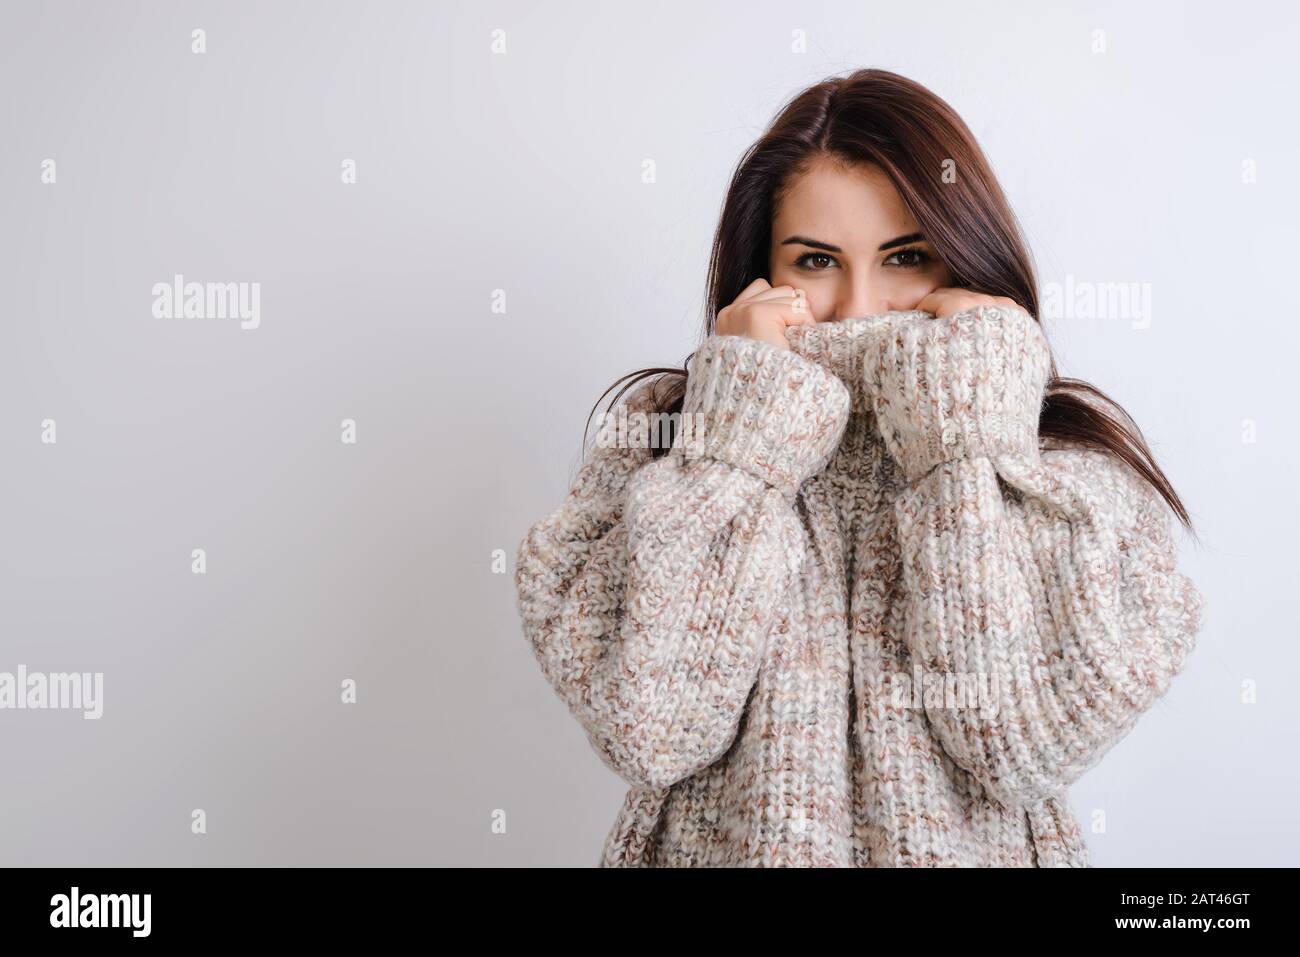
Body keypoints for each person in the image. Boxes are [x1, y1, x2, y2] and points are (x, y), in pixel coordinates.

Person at [513, 68, 1204, 867]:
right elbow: (653, 728)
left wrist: (965, 442)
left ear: (964, 257)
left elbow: (1019, 746)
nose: (860, 308)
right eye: (815, 262)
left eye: (907, 256)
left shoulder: (1059, 462)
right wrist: (739, 441)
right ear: (760, 272)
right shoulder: (669, 438)